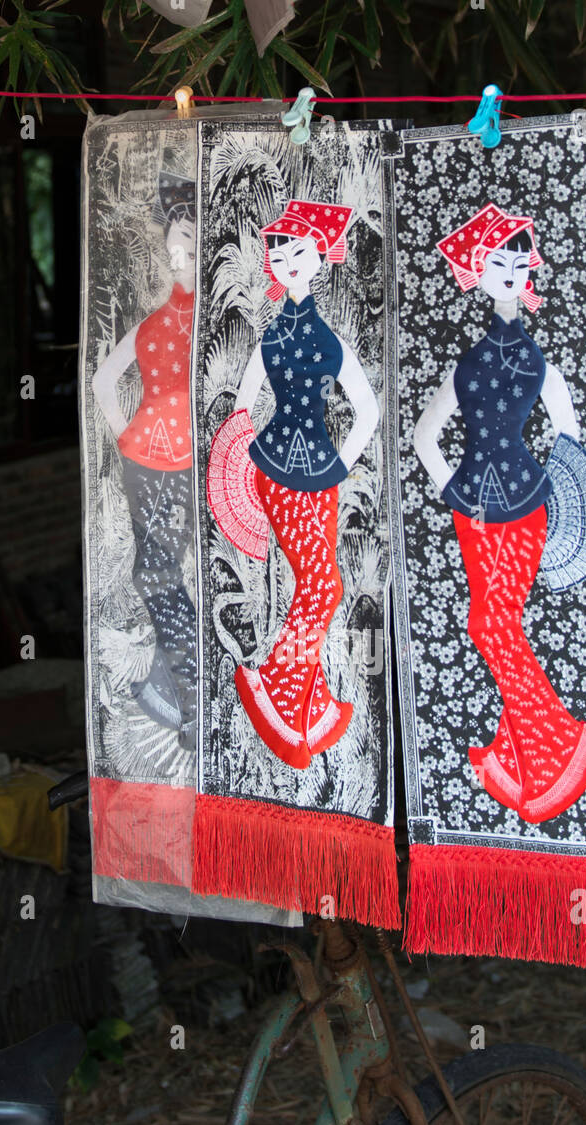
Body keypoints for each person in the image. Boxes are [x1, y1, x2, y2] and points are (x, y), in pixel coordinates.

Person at [414, 202, 586, 823]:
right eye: (497, 258)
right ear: (477, 268)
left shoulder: (541, 362)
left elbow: (569, 440)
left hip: (526, 505)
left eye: (519, 260)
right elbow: (425, 434)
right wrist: (453, 488)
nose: (509, 268)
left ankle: (559, 742)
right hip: (469, 508)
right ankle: (528, 758)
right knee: (497, 624)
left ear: (530, 272)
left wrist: (565, 502)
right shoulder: (467, 364)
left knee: (490, 625)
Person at [208, 200, 379, 769]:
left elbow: (367, 410)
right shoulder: (277, 338)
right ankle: (275, 682)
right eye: (279, 255)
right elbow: (241, 406)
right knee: (323, 586)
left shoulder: (322, 339)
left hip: (309, 469)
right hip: (284, 470)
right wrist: (239, 461)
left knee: (317, 583)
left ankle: (303, 708)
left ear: (321, 258)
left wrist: (339, 462)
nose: (288, 263)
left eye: (298, 252)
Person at [92, 171, 197, 744]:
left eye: (190, 244)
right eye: (174, 245)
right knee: (159, 570)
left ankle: (185, 688)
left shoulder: (200, 323)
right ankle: (182, 688)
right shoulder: (161, 321)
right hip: (153, 458)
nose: (180, 255)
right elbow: (104, 381)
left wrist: (126, 431)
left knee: (159, 572)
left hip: (174, 459)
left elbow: (105, 384)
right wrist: (123, 432)